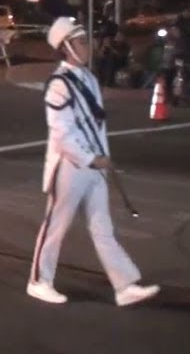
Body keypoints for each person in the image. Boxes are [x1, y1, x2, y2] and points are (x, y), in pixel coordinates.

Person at [27, 17, 160, 307]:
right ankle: (39, 281)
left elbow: (95, 125)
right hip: (70, 166)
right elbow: (62, 133)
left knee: (103, 228)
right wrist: (91, 158)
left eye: (86, 41)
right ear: (66, 47)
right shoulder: (58, 85)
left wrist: (102, 157)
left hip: (94, 165)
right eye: (81, 42)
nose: (87, 46)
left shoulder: (88, 78)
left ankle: (124, 286)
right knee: (56, 226)